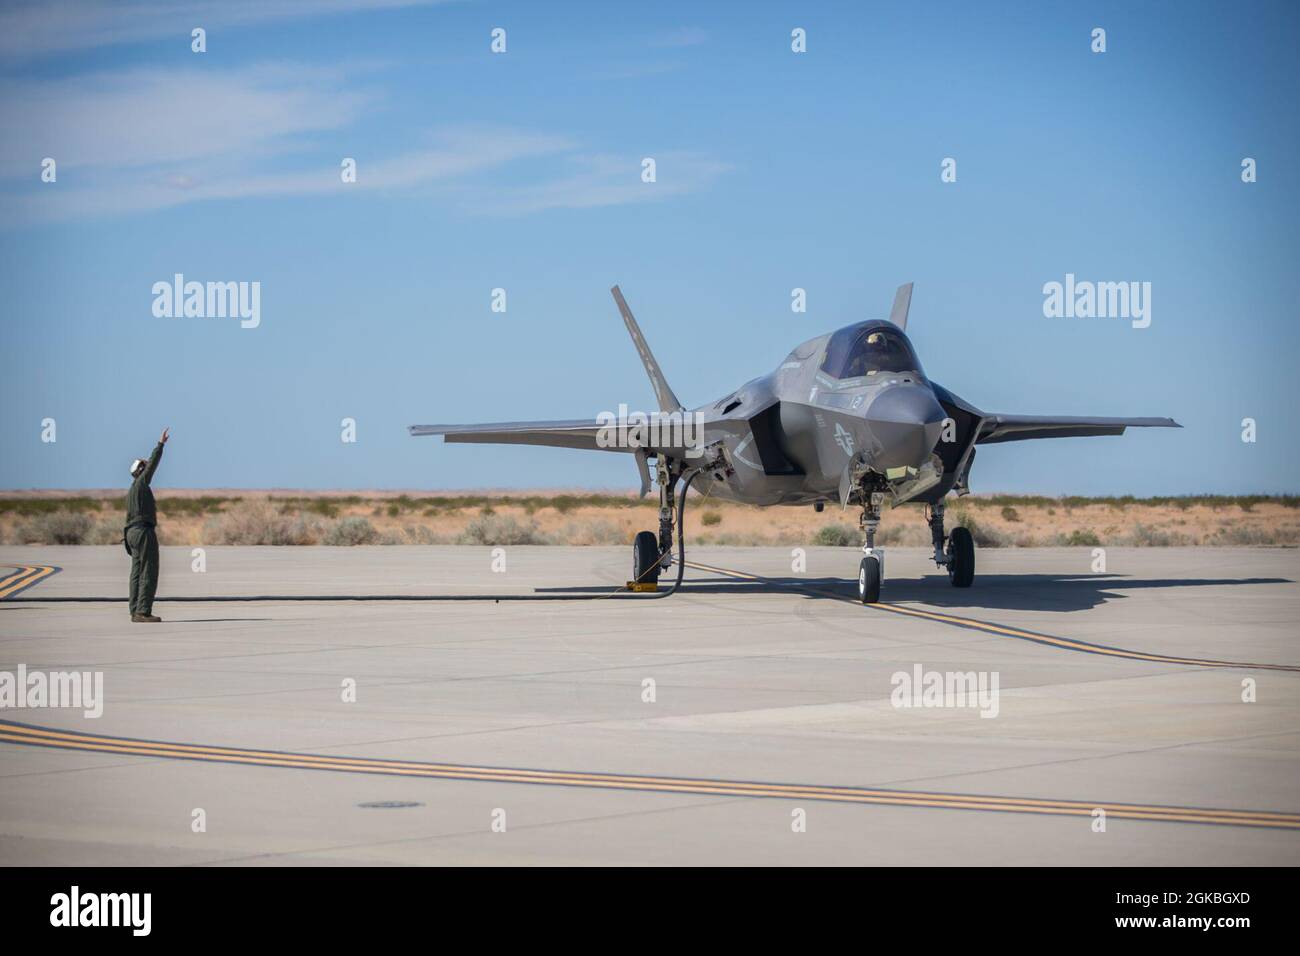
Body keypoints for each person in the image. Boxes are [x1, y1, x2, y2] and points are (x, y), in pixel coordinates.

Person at [125, 427, 169, 622]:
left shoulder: (132, 489)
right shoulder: (142, 484)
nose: (147, 465)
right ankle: (143, 611)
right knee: (149, 569)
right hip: (143, 532)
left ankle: (135, 610)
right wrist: (160, 445)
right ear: (141, 471)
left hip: (131, 533)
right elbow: (153, 465)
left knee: (136, 571)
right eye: (145, 465)